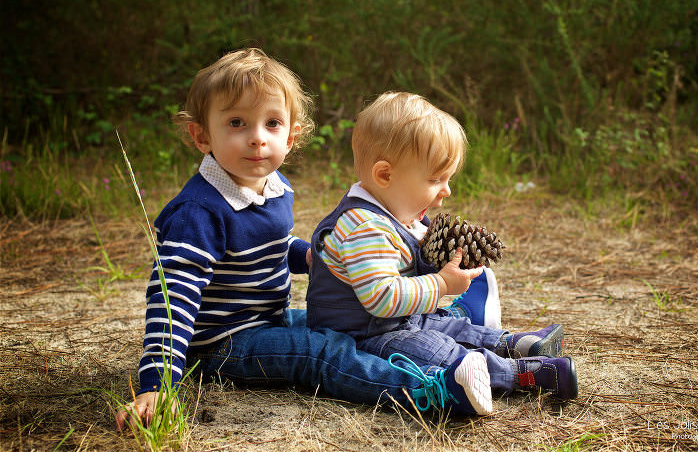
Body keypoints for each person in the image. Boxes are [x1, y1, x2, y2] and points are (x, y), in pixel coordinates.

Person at [116, 49, 500, 431]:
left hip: (269, 320)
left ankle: (457, 328)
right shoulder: (197, 214)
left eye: (272, 124)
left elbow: (270, 247)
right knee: (321, 353)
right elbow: (172, 298)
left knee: (342, 328)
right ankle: (427, 390)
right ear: (202, 135)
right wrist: (157, 385)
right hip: (221, 343)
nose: (257, 139)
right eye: (237, 122)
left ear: (291, 135)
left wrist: (308, 257)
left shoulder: (274, 187)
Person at [306, 92, 578, 413]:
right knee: (439, 352)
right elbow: (382, 297)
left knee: (451, 326)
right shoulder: (364, 227)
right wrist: (443, 284)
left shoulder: (397, 216)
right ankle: (523, 375)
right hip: (361, 335)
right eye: (435, 179)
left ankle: (513, 344)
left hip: (398, 321)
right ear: (385, 175)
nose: (446, 190)